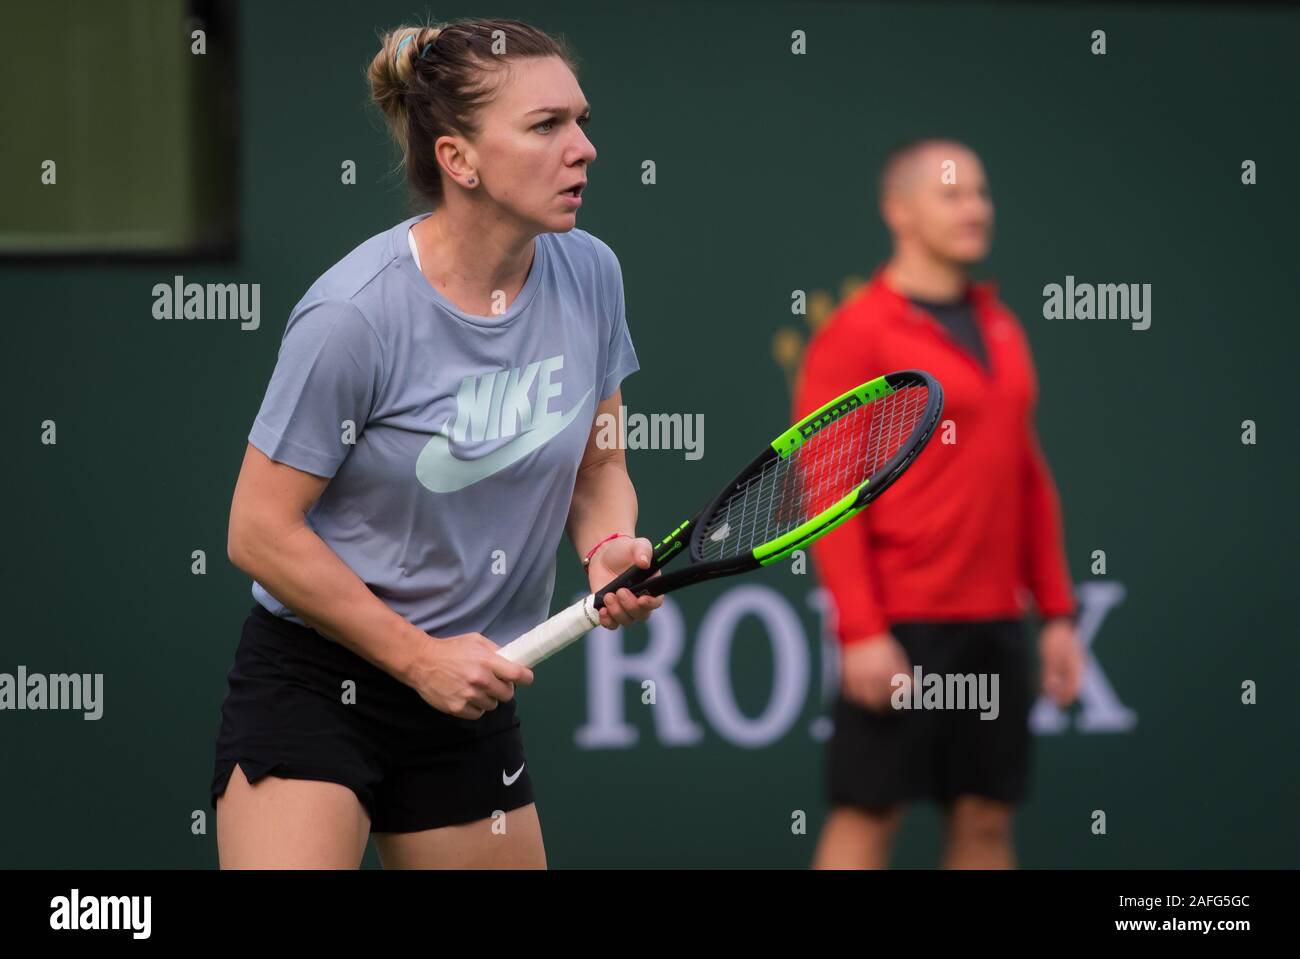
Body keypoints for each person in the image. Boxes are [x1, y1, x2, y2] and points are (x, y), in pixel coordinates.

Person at [212, 18, 662, 869]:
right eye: (545, 126)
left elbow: (599, 461)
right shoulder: (355, 315)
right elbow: (259, 530)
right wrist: (419, 659)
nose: (584, 149)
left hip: (470, 691)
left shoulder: (591, 272)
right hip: (318, 681)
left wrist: (607, 547)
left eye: (582, 120)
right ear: (458, 160)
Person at [795, 139, 1085, 869]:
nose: (975, 209)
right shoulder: (856, 332)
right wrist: (861, 630)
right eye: (953, 194)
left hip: (995, 622)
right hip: (903, 623)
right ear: (899, 210)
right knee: (869, 817)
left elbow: (1027, 476)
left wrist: (1055, 613)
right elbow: (827, 494)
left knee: (987, 820)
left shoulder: (1002, 326)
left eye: (981, 193)